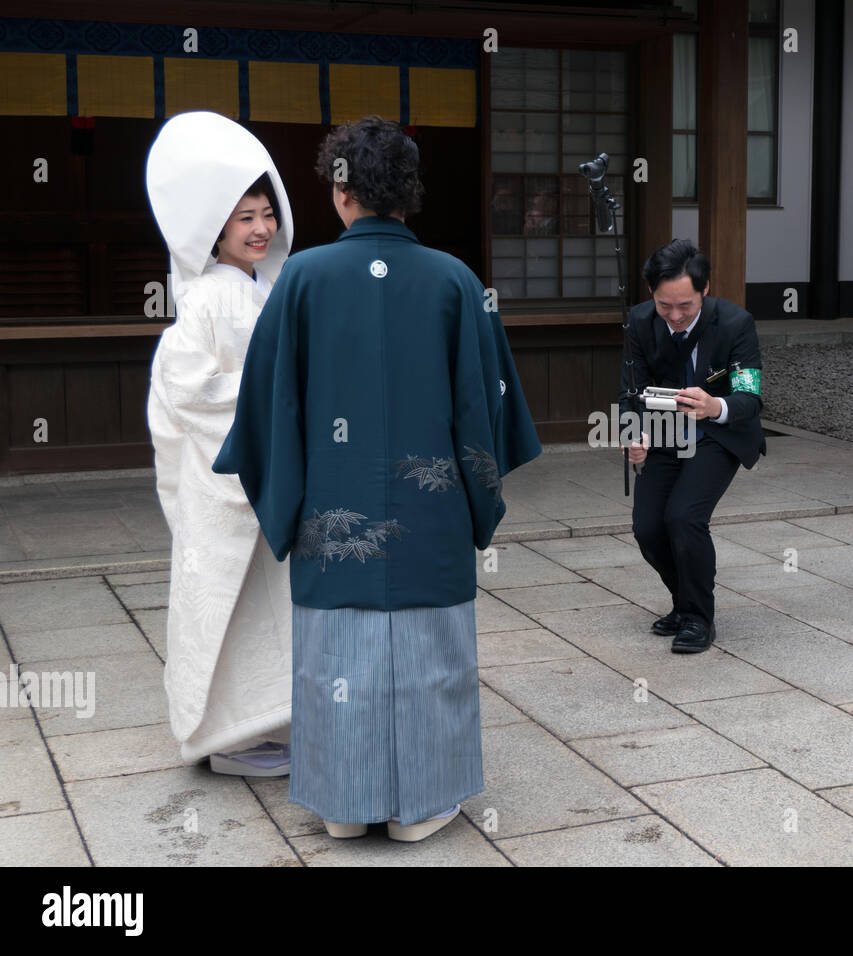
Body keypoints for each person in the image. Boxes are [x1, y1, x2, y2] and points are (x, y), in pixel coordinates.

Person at [212, 115, 541, 842]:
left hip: (335, 521)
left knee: (339, 664)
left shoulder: (300, 278)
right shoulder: (455, 280)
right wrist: (474, 505)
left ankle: (343, 804)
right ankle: (421, 806)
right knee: (430, 664)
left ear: (340, 194)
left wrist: (288, 500)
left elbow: (269, 408)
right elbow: (485, 410)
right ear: (407, 194)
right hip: (431, 523)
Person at [145, 111, 295, 777]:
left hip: (264, 474)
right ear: (216, 229)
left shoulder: (263, 288)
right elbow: (191, 388)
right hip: (232, 479)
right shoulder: (208, 298)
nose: (261, 227)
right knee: (233, 606)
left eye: (266, 212)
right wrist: (280, 402)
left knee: (268, 607)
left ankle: (263, 723)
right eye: (244, 218)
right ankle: (228, 735)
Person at [622, 240, 766, 654]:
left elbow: (750, 396)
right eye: (665, 305)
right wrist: (636, 433)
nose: (676, 315)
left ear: (705, 290)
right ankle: (684, 603)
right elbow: (629, 391)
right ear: (652, 293)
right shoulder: (639, 321)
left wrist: (714, 405)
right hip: (665, 432)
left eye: (685, 305)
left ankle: (699, 618)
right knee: (647, 528)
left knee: (684, 517)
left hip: (721, 433)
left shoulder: (736, 322)